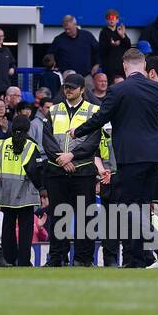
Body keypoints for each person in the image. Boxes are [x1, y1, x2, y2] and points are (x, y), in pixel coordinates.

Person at [71, 49, 158, 268]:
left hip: (130, 157)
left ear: (125, 67)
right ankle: (138, 258)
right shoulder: (157, 88)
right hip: (154, 156)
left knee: (126, 207)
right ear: (143, 67)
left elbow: (100, 118)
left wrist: (77, 131)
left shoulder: (118, 90)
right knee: (141, 207)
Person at [39, 73, 101, 266]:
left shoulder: (93, 110)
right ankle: (57, 258)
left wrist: (72, 156)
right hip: (57, 170)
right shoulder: (54, 110)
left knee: (85, 217)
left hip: (82, 171)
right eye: (66, 87)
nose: (68, 90)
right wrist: (62, 159)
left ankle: (83, 259)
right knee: (58, 216)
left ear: (82, 90)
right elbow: (47, 139)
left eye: (72, 88)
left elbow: (93, 140)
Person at [0, 113, 41, 267]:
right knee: (25, 230)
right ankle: (23, 261)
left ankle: (8, 260)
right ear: (28, 128)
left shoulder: (2, 144)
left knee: (8, 227)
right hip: (25, 191)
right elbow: (35, 171)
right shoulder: (31, 146)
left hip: (6, 191)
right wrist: (42, 188)